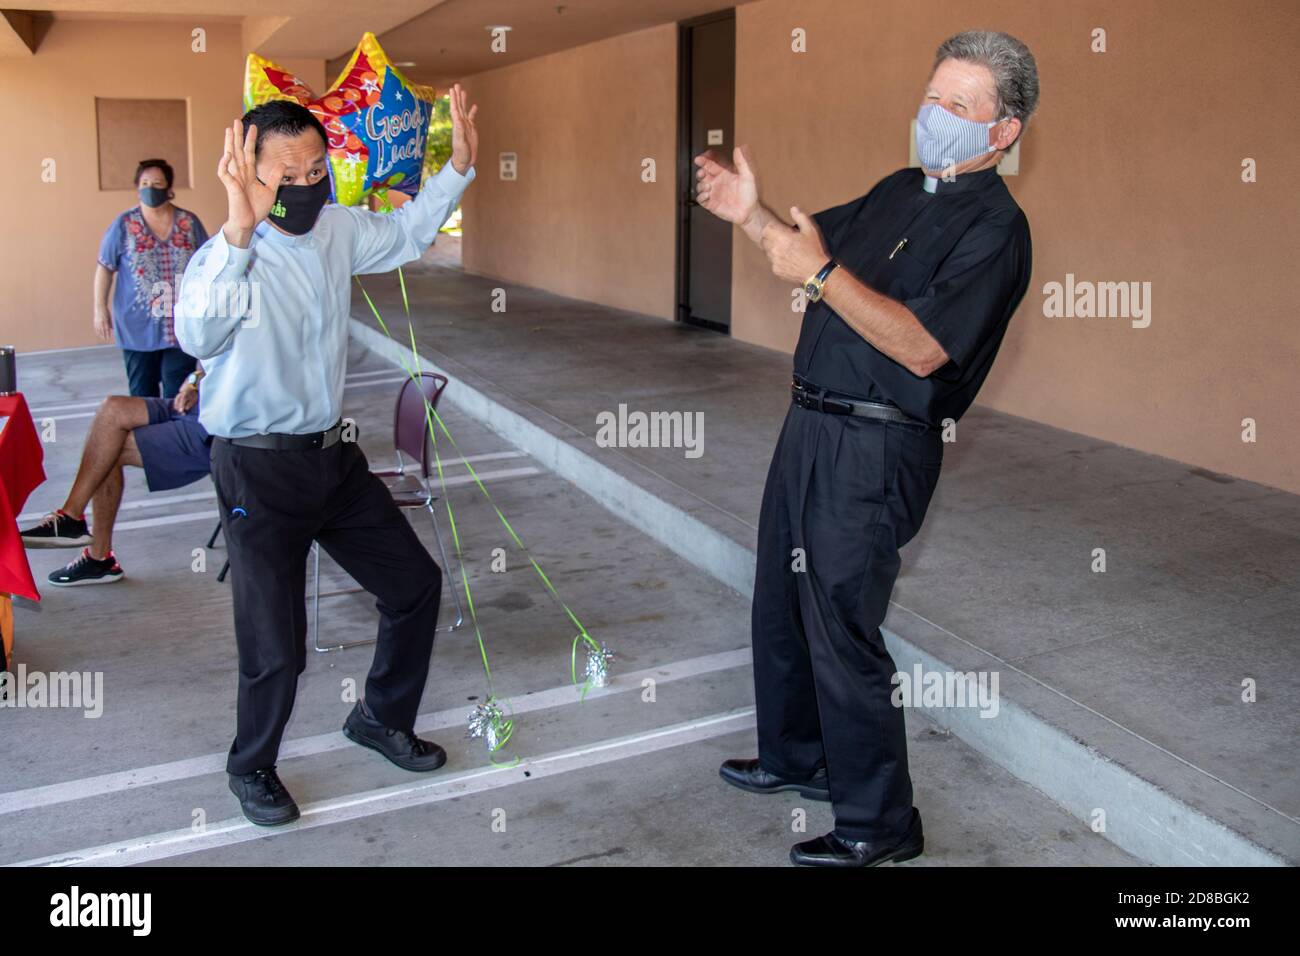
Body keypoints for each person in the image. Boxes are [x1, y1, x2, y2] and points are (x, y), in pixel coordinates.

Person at [696, 30, 1038, 867]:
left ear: (1004, 131)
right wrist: (752, 216)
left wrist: (817, 277)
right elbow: (802, 248)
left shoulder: (997, 230)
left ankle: (882, 826)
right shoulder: (896, 190)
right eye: (932, 96)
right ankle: (796, 757)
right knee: (781, 600)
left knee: (844, 627)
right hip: (811, 424)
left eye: (960, 107)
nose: (935, 115)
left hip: (876, 449)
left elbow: (923, 347)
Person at [174, 90, 478, 826]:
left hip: (333, 461)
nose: (308, 185)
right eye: (289, 174)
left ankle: (379, 717)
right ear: (245, 171)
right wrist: (242, 232)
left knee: (414, 586)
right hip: (257, 468)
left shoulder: (337, 230)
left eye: (318, 169)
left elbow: (406, 234)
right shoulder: (225, 257)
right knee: (277, 645)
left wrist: (458, 169)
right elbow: (197, 338)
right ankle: (251, 767)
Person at [20, 367, 211, 585]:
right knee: (112, 408)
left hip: (216, 425)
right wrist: (193, 381)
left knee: (109, 450)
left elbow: (208, 344)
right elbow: (206, 358)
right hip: (194, 404)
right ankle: (72, 519)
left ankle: (95, 553)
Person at [95, 158, 209, 398]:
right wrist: (100, 308)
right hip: (136, 326)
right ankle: (145, 436)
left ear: (169, 189)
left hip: (180, 323)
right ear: (137, 188)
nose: (150, 188)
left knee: (177, 393)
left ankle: (171, 435)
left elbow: (206, 265)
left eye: (157, 183)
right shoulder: (124, 225)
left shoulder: (189, 223)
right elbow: (105, 267)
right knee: (141, 395)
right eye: (145, 182)